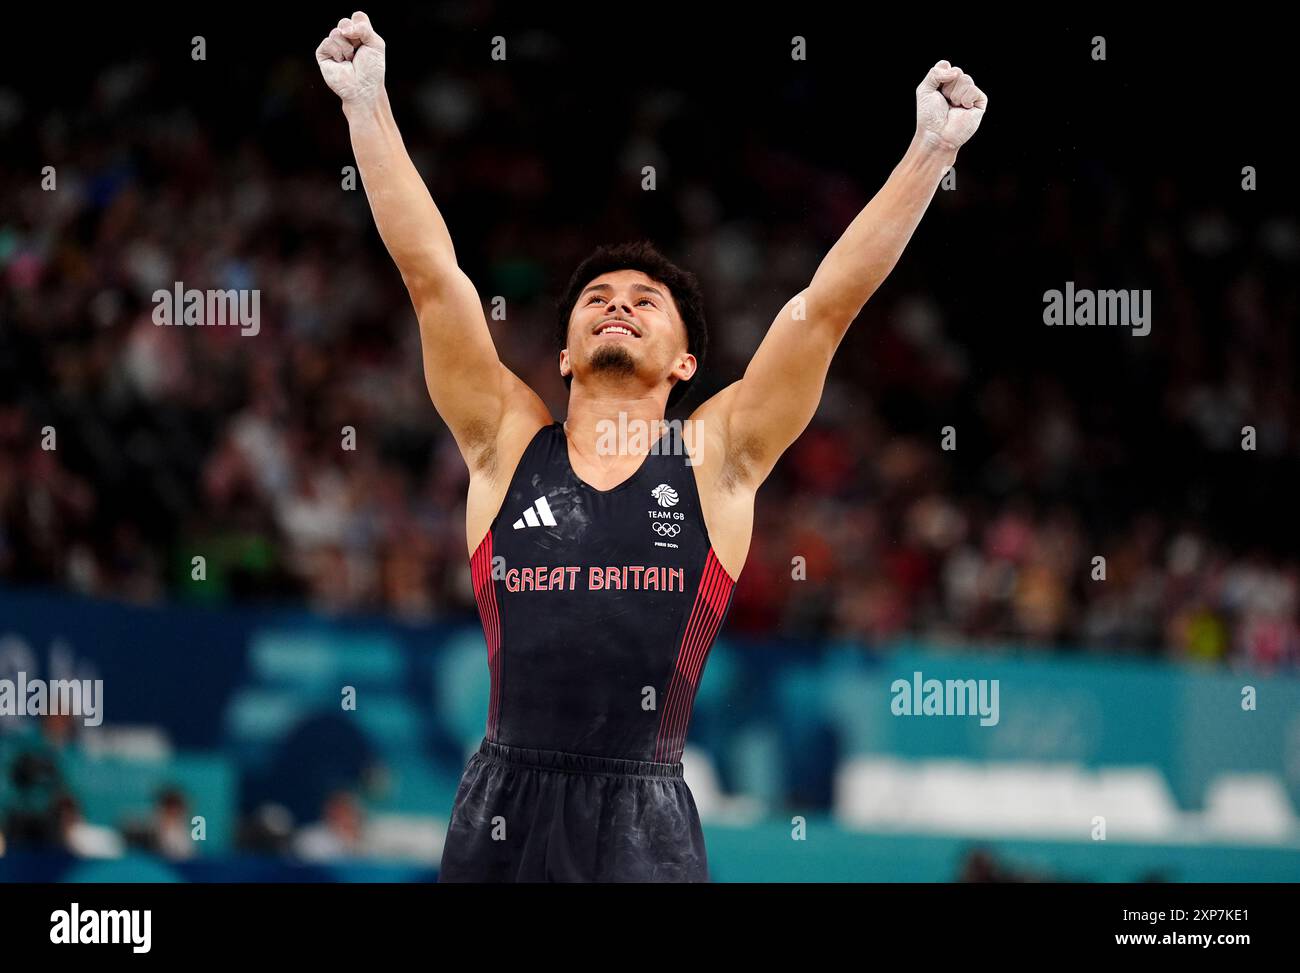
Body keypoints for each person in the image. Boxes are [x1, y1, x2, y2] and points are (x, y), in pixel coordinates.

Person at [316, 11, 986, 881]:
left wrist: (931, 151)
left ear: (685, 362)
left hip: (643, 819)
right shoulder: (504, 442)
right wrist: (367, 106)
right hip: (502, 810)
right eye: (596, 297)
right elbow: (432, 280)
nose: (617, 304)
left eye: (645, 300)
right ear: (563, 354)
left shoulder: (717, 458)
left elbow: (824, 309)